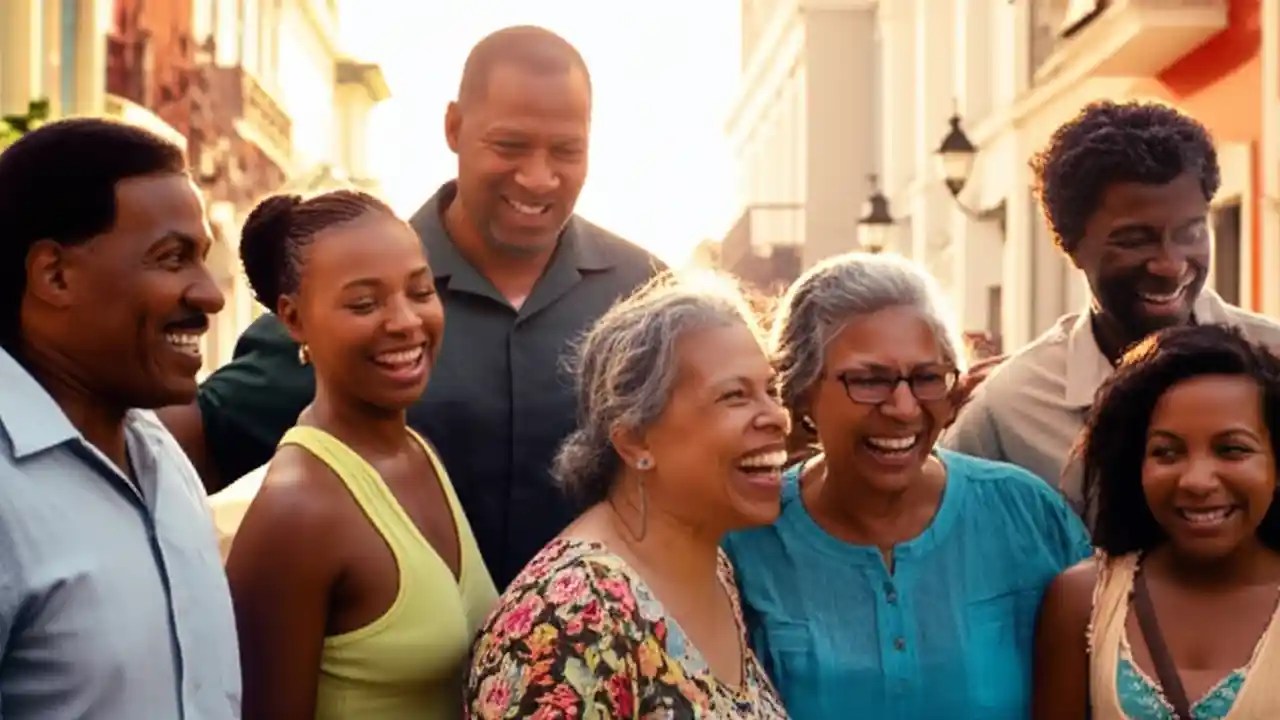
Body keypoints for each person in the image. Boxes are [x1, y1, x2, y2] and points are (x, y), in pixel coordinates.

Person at [159, 25, 664, 587]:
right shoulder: (355, 291)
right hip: (404, 668)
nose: (539, 177)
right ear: (454, 127)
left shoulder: (646, 295)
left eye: (566, 151)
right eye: (510, 146)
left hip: (600, 668)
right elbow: (186, 443)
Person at [724, 252, 1092, 719]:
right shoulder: (748, 539)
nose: (903, 408)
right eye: (869, 380)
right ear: (800, 392)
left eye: (926, 378)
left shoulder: (1025, 515)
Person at [223, 191, 497, 719]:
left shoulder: (417, 452)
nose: (406, 322)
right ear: (294, 319)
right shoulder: (298, 512)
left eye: (420, 291)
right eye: (365, 303)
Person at [466, 272, 790, 719]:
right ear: (636, 441)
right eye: (735, 395)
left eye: (771, 391)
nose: (778, 417)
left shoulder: (711, 567)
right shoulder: (572, 621)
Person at [0, 118, 238, 718]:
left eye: (202, 258)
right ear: (54, 275)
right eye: (171, 258)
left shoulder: (157, 451)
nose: (210, 294)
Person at [942, 100, 1280, 509]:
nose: (1170, 265)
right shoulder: (1009, 409)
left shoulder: (1273, 360)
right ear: (1072, 245)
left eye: (1191, 233)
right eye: (1135, 240)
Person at [1033, 324, 1280, 719]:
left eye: (1232, 449)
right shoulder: (1082, 601)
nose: (1197, 480)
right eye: (1167, 452)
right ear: (1135, 464)